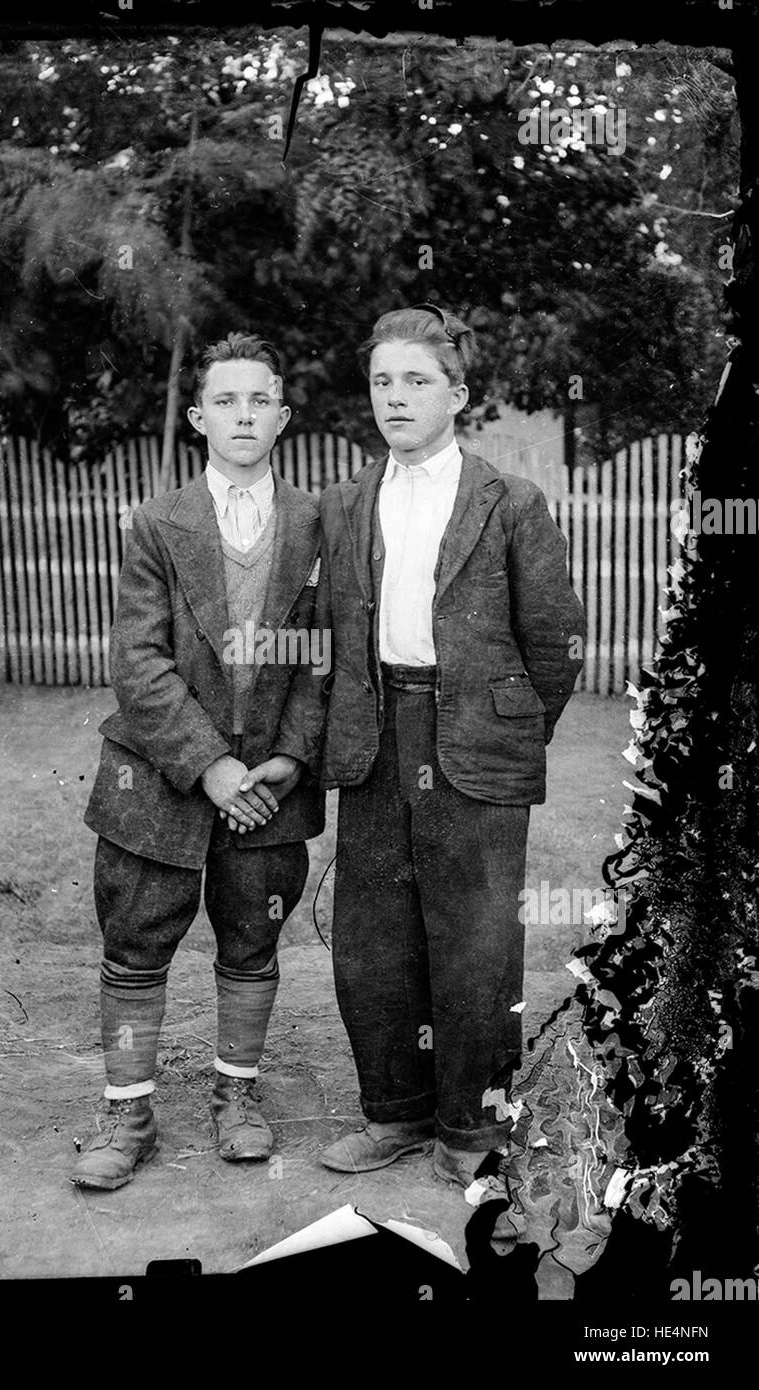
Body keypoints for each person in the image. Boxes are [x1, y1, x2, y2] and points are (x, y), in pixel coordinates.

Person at [316, 304, 585, 1191]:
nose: (396, 398)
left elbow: (553, 643)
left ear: (457, 396)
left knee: (473, 940)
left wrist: (505, 734)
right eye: (383, 382)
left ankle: (472, 1125)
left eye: (417, 381)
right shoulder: (348, 503)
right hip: (376, 734)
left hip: (474, 738)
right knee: (372, 938)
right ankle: (394, 1114)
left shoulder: (510, 501)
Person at [74, 331, 327, 1191]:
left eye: (260, 400)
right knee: (136, 945)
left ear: (283, 417)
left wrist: (291, 756)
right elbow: (139, 664)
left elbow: (323, 658)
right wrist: (211, 765)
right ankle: (127, 1110)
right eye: (226, 400)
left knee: (252, 942)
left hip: (271, 793)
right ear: (198, 417)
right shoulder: (157, 522)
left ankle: (237, 1100)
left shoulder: (314, 523)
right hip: (160, 783)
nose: (243, 414)